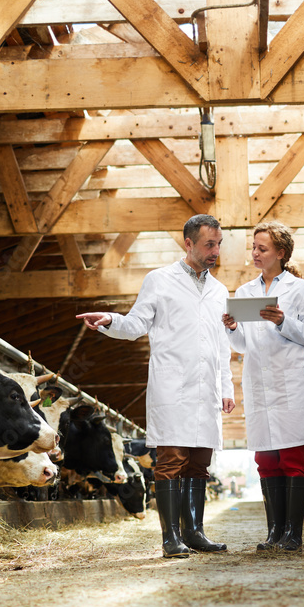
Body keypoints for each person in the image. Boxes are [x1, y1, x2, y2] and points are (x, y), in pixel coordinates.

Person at [76, 214, 235, 559]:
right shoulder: (159, 280)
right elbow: (136, 323)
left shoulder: (220, 291)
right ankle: (171, 537)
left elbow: (222, 345)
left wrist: (227, 388)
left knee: (199, 464)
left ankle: (195, 532)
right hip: (172, 385)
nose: (216, 251)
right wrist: (111, 320)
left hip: (207, 388)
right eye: (209, 244)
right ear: (188, 243)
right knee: (172, 460)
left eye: (219, 244)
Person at [222, 220, 304, 552]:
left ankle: (294, 534)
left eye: (262, 248)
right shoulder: (244, 292)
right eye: (253, 247)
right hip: (258, 386)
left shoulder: (300, 289)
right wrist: (232, 328)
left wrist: (283, 321)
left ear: (280, 253)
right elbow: (242, 345)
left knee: (292, 458)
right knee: (265, 462)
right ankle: (275, 532)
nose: (255, 253)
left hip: (289, 384)